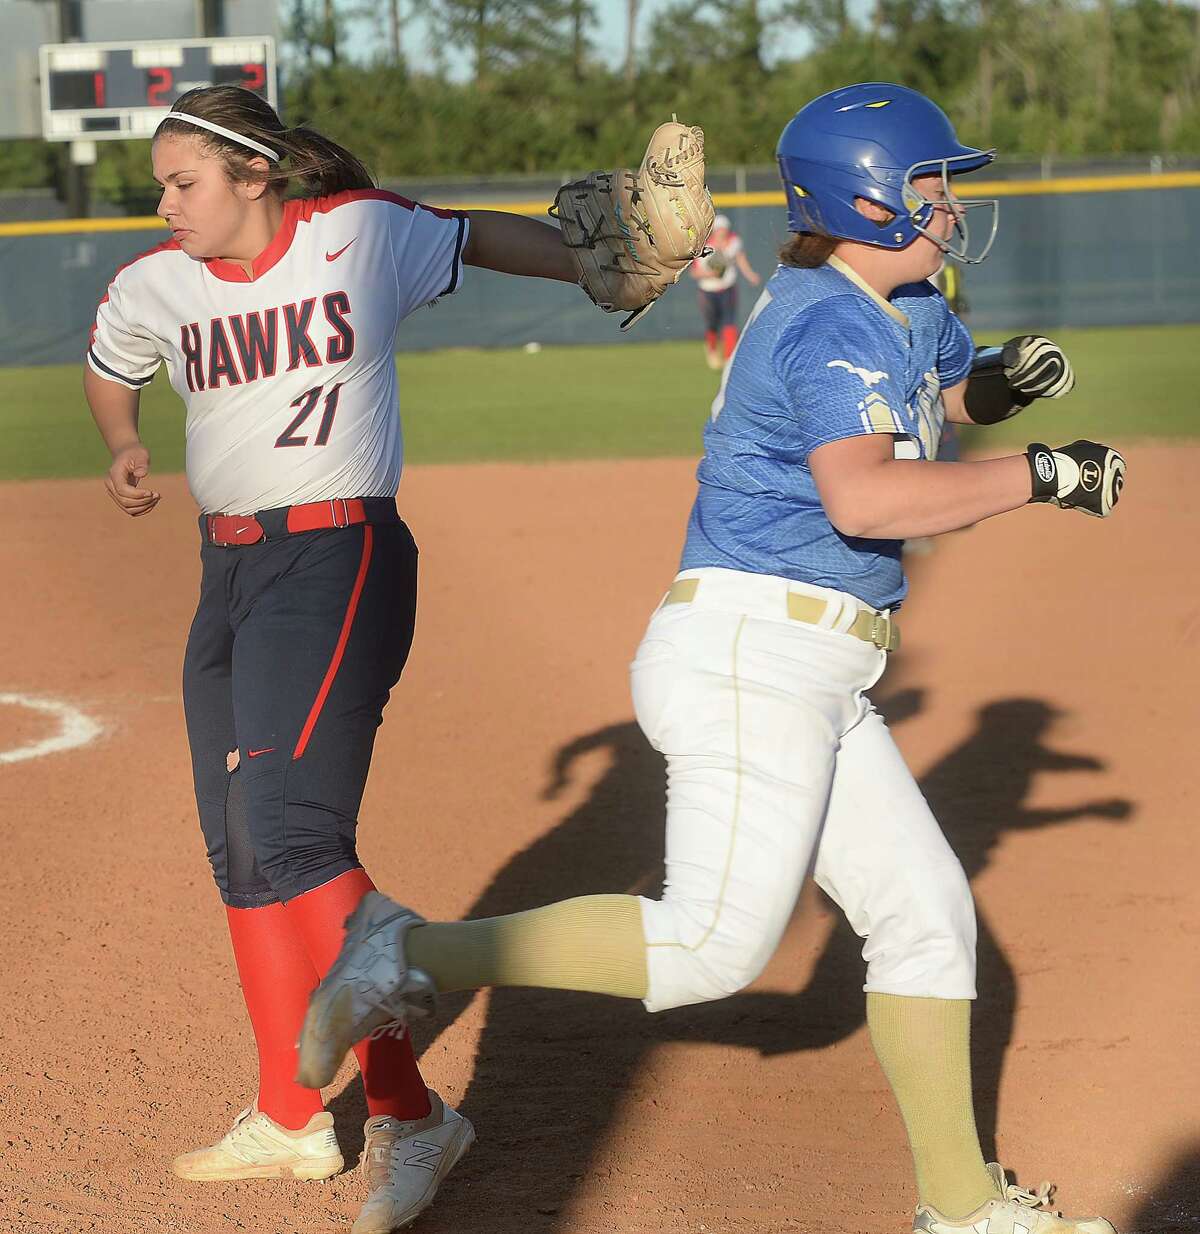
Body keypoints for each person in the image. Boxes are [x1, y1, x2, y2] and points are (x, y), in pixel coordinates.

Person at [296, 83, 1126, 1233]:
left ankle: (964, 1207)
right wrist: (1040, 473)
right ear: (870, 198)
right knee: (707, 946)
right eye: (933, 183)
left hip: (816, 664)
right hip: (754, 650)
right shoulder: (825, 317)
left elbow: (937, 390)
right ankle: (403, 952)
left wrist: (998, 380)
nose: (949, 203)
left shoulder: (907, 301)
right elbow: (869, 490)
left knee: (926, 910)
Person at [83, 84, 679, 1234]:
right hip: (228, 573)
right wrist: (121, 439)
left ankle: (413, 1116)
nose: (163, 202)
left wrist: (600, 261)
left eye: (183, 181)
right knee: (243, 846)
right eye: (159, 182)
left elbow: (481, 235)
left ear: (255, 176)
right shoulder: (154, 284)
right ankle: (290, 1113)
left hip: (337, 558)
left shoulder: (355, 235)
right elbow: (116, 364)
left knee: (299, 836)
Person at [689, 212, 761, 368]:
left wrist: (750, 275)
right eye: (719, 230)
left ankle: (730, 358)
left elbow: (740, 259)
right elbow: (694, 272)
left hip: (727, 288)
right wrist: (709, 273)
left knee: (729, 322)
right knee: (712, 324)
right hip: (708, 291)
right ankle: (712, 350)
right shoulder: (705, 248)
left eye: (724, 229)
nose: (722, 232)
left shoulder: (734, 242)